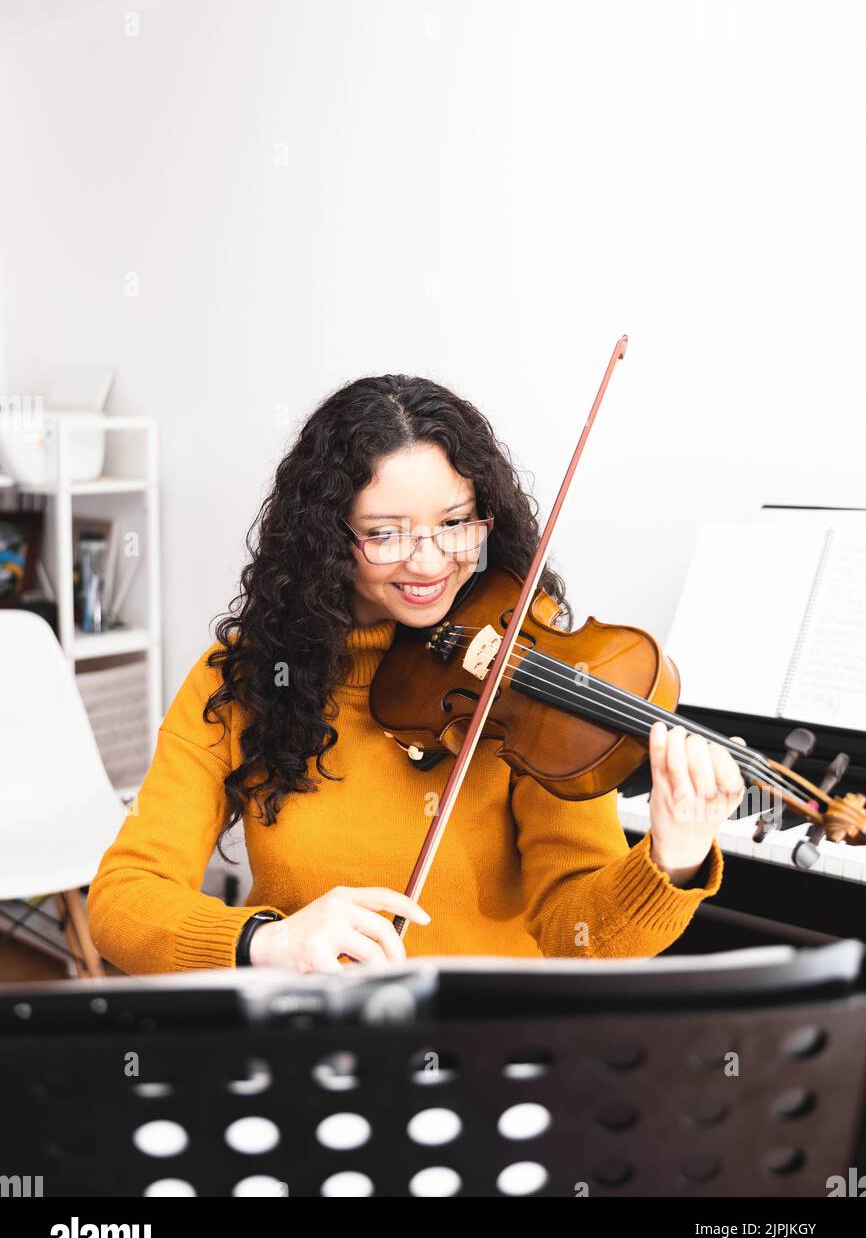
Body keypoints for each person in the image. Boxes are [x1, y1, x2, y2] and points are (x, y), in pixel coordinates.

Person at [87, 374, 744, 975]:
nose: (430, 563)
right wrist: (268, 941)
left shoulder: (529, 679)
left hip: (487, 1045)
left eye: (455, 524)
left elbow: (581, 936)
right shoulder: (248, 677)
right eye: (385, 534)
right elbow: (122, 901)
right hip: (313, 1033)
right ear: (327, 536)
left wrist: (671, 858)